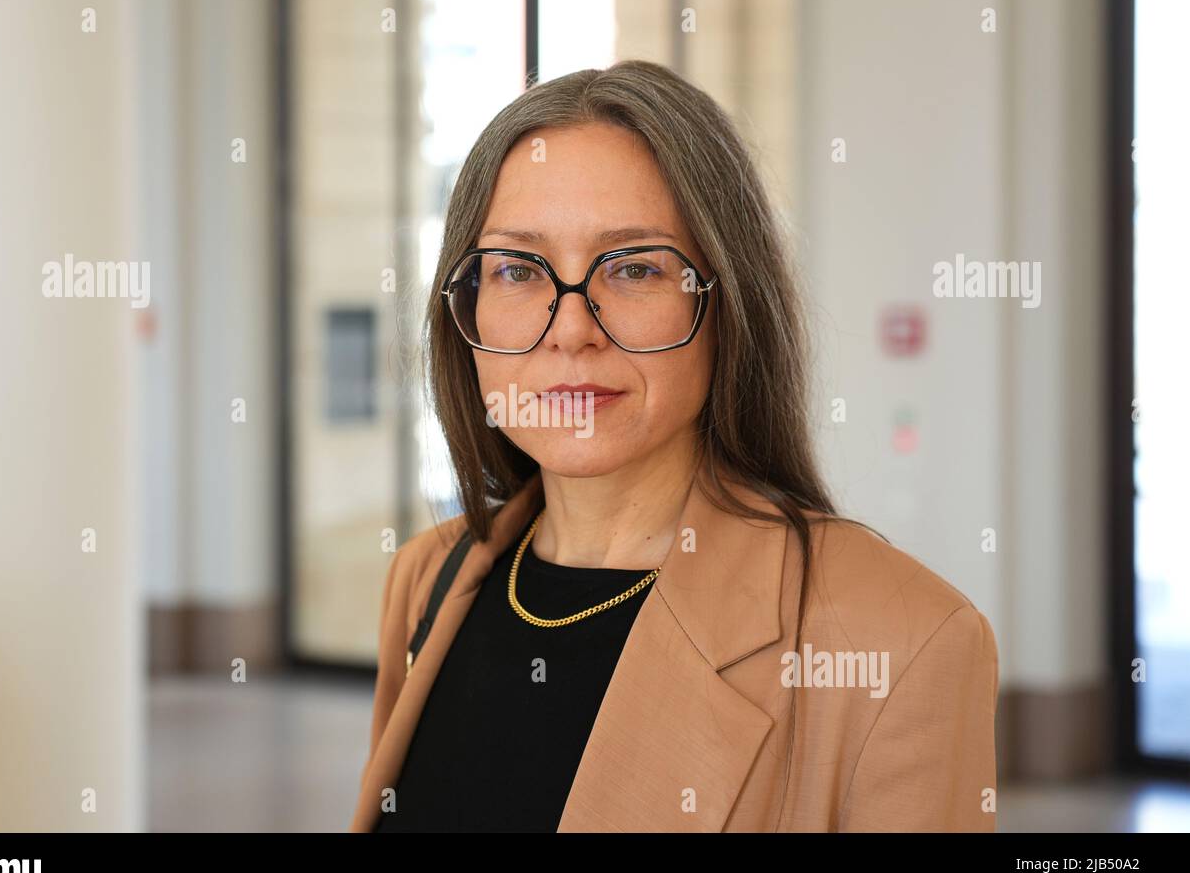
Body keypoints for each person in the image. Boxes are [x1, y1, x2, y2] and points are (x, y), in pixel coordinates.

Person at [350, 59, 998, 832]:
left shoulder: (901, 643)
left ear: (730, 303)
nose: (570, 330)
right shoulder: (428, 580)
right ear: (468, 305)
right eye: (518, 269)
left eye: (633, 267)